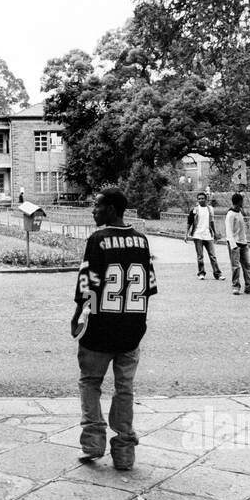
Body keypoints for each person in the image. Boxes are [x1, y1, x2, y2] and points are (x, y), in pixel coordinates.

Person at [71, 187, 156, 471]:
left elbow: (88, 282)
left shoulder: (98, 239)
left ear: (111, 209)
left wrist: (77, 315)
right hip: (132, 330)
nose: (93, 210)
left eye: (97, 205)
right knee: (124, 389)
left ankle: (93, 443)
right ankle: (124, 452)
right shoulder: (142, 242)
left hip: (99, 329)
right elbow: (149, 287)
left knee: (90, 382)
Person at [225, 192, 250, 296]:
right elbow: (229, 231)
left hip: (243, 243)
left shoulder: (240, 212)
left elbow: (242, 230)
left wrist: (245, 242)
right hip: (234, 243)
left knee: (248, 265)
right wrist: (233, 245)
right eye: (242, 201)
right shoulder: (230, 214)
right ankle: (235, 286)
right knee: (236, 266)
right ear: (239, 202)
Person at [185, 191, 223, 280]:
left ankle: (217, 273)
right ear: (197, 200)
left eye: (202, 198)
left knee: (213, 256)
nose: (201, 200)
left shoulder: (210, 209)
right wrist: (186, 234)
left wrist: (215, 233)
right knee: (200, 256)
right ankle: (201, 273)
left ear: (206, 199)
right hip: (197, 235)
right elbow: (189, 222)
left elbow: (212, 221)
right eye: (199, 199)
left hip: (207, 235)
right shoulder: (195, 210)